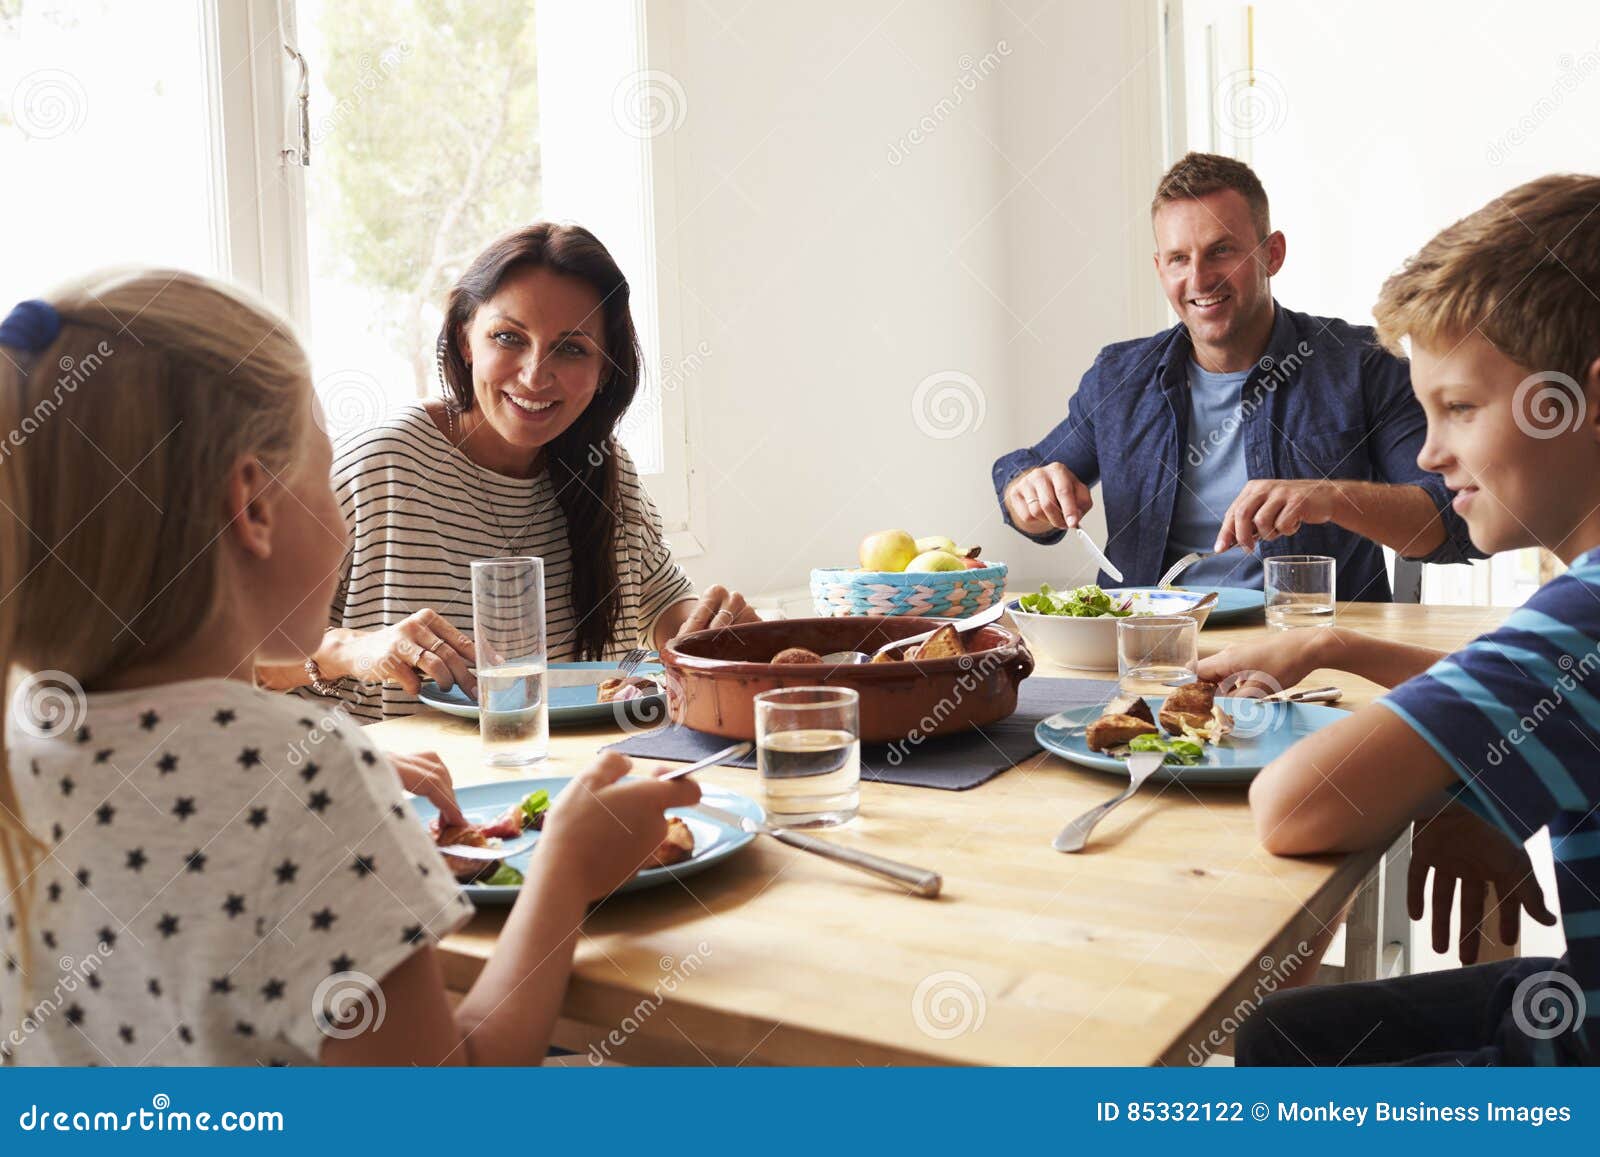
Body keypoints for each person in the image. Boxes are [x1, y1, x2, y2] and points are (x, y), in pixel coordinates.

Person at [0, 271, 699, 1065]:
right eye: (324, 468)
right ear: (255, 507)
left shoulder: (22, 756)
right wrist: (566, 870)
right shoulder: (311, 777)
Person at [1199, 175, 1600, 1065]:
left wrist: (1444, 772)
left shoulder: (1586, 611)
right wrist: (1330, 645)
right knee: (1281, 1031)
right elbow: (1544, 700)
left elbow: (1293, 805)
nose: (1428, 451)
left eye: (1460, 406)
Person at [257, 223, 758, 721]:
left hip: (552, 786)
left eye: (572, 348)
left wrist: (715, 635)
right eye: (508, 337)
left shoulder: (605, 469)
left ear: (605, 369)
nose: (535, 374)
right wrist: (355, 649)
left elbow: (671, 617)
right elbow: (245, 659)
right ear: (466, 340)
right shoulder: (381, 464)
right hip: (389, 789)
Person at [992, 152, 1476, 599]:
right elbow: (1026, 478)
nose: (1200, 279)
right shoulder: (1120, 377)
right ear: (1160, 269)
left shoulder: (1362, 364)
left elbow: (1452, 523)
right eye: (1180, 258)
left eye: (1222, 251)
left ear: (1273, 254)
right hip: (1149, 648)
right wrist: (1028, 494)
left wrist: (1329, 498)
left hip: (1315, 650)